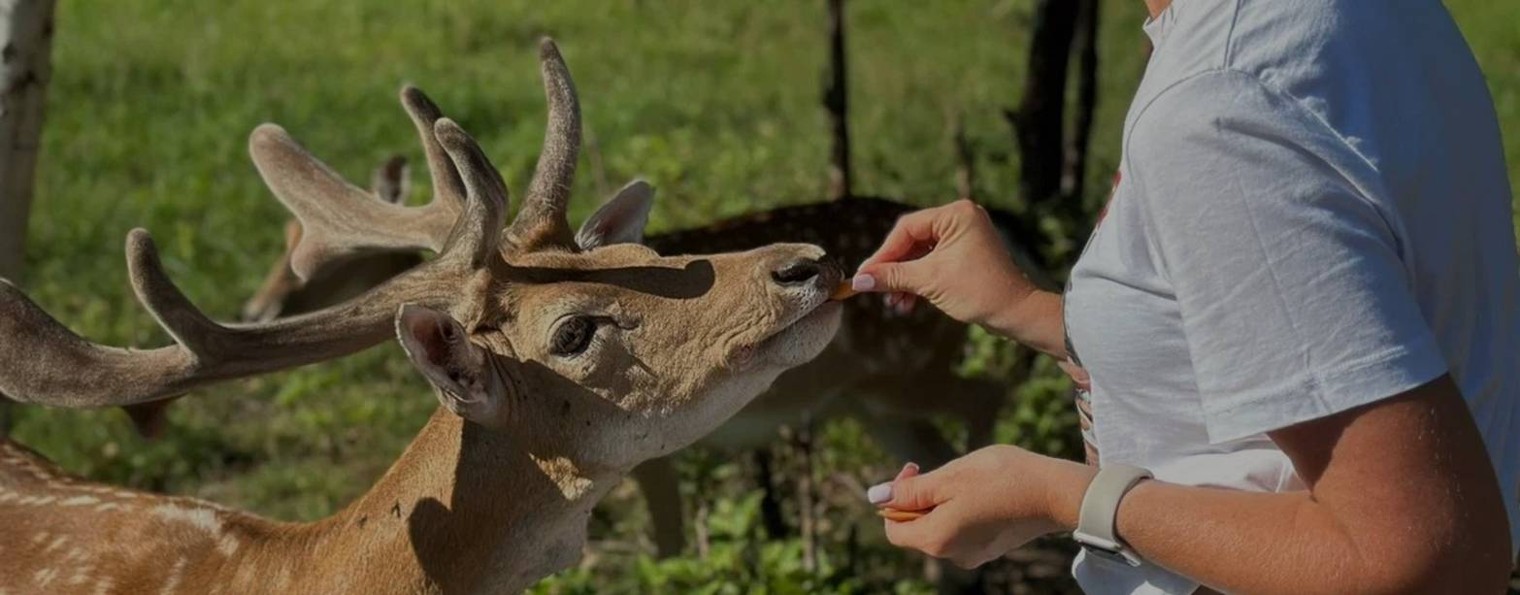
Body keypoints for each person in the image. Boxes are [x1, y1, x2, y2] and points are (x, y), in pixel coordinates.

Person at [853, 0, 1519, 593]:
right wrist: (1032, 314)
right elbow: (1312, 336)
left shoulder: (1219, 102)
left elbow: (1429, 561)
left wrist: (1061, 497)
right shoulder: (1346, 20)